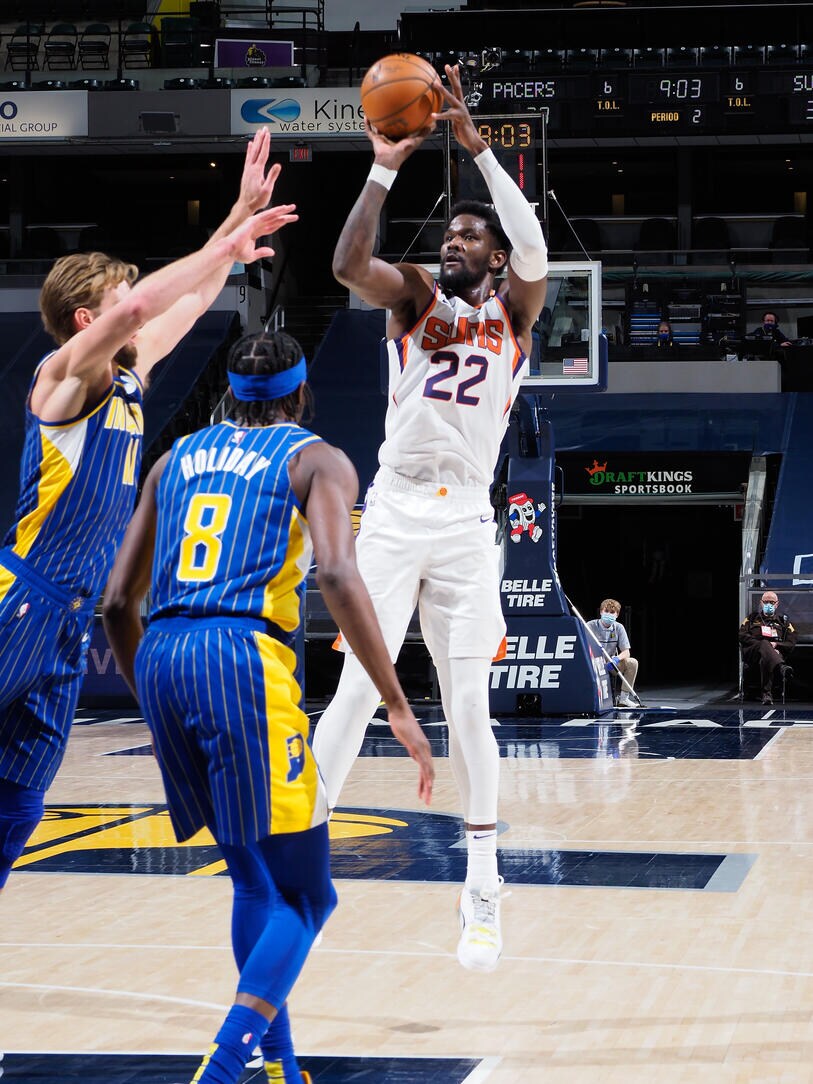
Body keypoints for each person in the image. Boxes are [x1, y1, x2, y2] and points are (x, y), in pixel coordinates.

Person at [103, 329, 434, 1084]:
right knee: (309, 897)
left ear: (228, 389)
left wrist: (153, 703)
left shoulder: (171, 458)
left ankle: (280, 1065)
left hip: (160, 653)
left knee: (254, 882)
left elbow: (118, 600)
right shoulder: (316, 459)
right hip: (240, 659)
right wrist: (396, 701)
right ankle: (222, 1068)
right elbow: (340, 579)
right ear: (300, 390)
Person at [0, 129, 297, 895]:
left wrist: (232, 226)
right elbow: (138, 306)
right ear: (82, 322)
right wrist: (225, 239)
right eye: (112, 312)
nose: (131, 319)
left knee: (22, 794)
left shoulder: (129, 377)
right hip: (21, 599)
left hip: (69, 619)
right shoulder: (60, 380)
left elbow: (190, 300)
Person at [311, 63, 549, 974]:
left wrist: (482, 154)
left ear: (490, 256)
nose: (453, 242)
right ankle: (305, 858)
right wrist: (381, 168)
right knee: (358, 691)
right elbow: (341, 266)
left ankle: (481, 884)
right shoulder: (412, 297)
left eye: (467, 237)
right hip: (396, 508)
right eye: (447, 234)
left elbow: (533, 254)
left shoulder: (517, 312)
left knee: (467, 705)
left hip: (465, 525)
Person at [739, 590, 796, 705]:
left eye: (771, 602)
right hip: (753, 652)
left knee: (766, 658)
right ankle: (781, 667)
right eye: (766, 602)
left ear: (777, 604)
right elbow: (741, 635)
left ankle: (767, 695)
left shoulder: (783, 621)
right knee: (765, 643)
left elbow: (791, 642)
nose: (768, 605)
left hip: (775, 653)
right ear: (761, 603)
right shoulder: (751, 619)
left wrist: (776, 645)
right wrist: (760, 644)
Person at [585, 599, 639, 707]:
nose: (609, 614)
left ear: (617, 615)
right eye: (606, 611)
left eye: (612, 612)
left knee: (633, 662)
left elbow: (626, 652)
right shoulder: (590, 626)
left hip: (611, 664)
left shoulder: (619, 628)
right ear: (601, 612)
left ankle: (623, 699)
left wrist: (616, 659)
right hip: (593, 664)